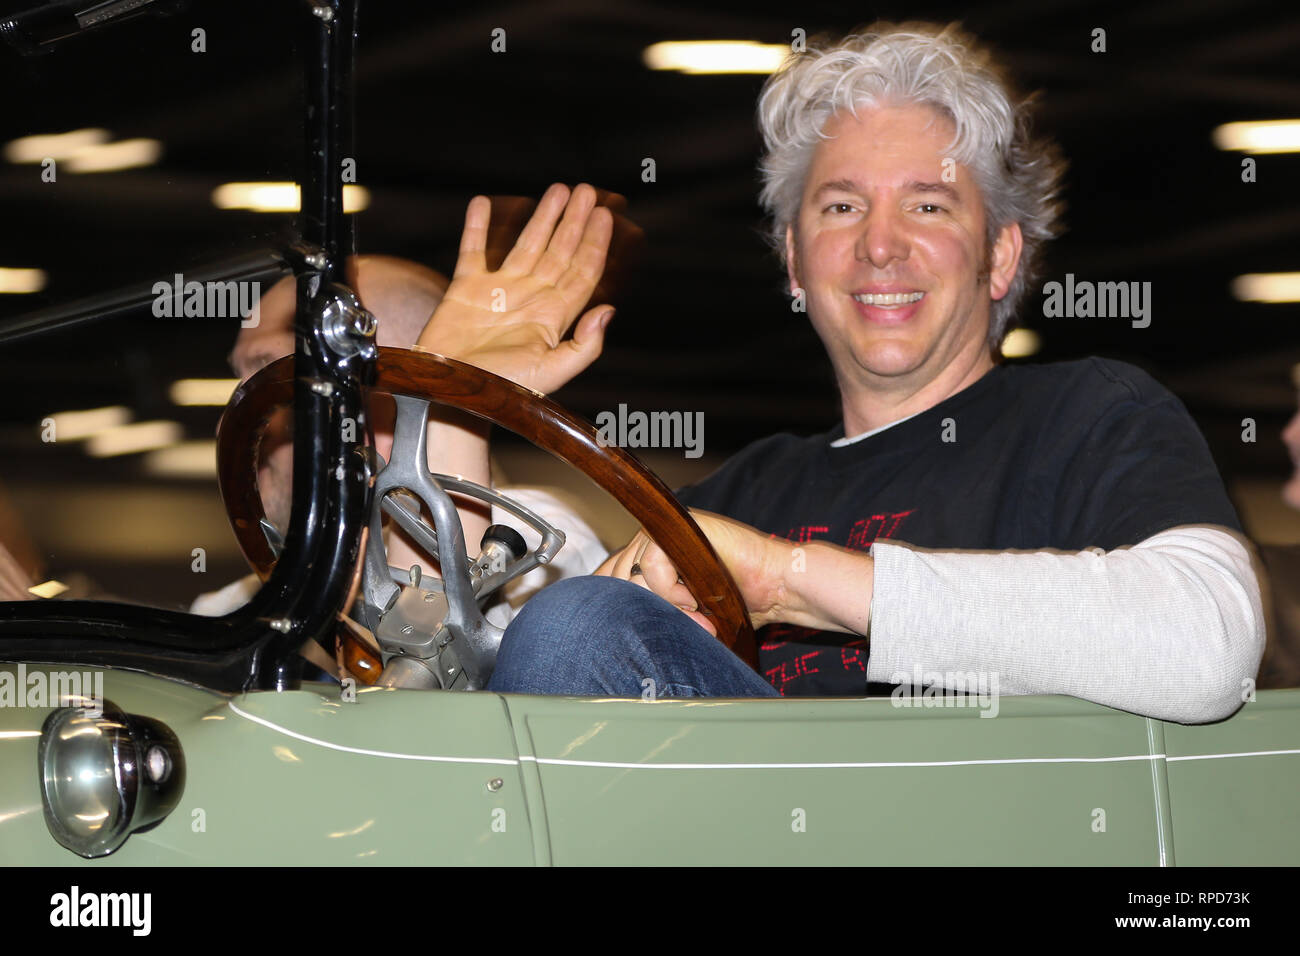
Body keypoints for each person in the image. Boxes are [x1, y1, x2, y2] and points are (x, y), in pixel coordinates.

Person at [425, 21, 1266, 724]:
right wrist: (453, 398)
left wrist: (786, 578)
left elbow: (1208, 648)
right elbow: (472, 675)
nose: (880, 244)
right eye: (841, 206)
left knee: (583, 624)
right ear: (794, 260)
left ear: (1002, 255)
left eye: (928, 205)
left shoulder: (1088, 415)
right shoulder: (743, 492)